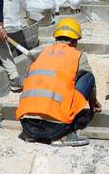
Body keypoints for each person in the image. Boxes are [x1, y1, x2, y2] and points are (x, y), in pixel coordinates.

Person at [17, 17, 101, 147]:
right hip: (55, 129)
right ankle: (64, 136)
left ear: (56, 38)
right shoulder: (77, 55)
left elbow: (25, 82)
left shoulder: (43, 53)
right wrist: (93, 101)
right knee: (88, 77)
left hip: (28, 126)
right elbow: (88, 82)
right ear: (74, 41)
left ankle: (31, 135)